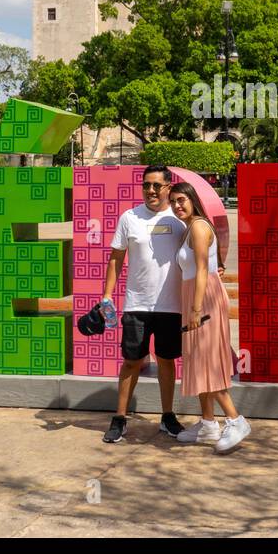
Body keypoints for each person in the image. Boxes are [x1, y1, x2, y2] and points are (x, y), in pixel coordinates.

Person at [96, 165, 186, 444]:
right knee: (131, 361)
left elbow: (200, 249)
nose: (151, 191)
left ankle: (168, 416)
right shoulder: (129, 217)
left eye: (157, 185)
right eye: (146, 185)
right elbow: (116, 258)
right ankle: (120, 418)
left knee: (167, 361)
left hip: (172, 304)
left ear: (169, 187)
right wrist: (107, 295)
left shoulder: (181, 218)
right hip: (137, 303)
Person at [168, 182, 250, 453]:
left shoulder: (199, 227)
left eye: (182, 200)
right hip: (196, 295)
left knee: (208, 362)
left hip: (204, 300)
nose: (178, 206)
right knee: (199, 361)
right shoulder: (190, 228)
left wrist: (195, 309)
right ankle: (207, 425)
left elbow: (203, 269)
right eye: (174, 202)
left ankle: (235, 420)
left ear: (192, 199)